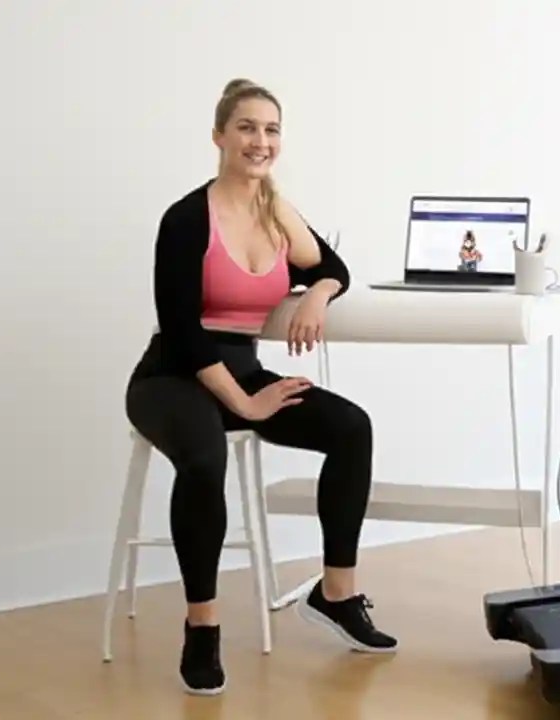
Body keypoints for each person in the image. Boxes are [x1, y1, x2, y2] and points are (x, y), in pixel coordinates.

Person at [124, 78, 397, 696]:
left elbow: (332, 268)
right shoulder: (189, 217)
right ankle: (203, 629)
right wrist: (245, 404)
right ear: (219, 136)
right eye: (247, 127)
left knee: (350, 427)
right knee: (203, 457)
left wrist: (318, 294)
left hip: (242, 369)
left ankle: (337, 595)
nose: (260, 140)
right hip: (172, 376)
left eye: (271, 129)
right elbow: (182, 330)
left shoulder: (278, 211)